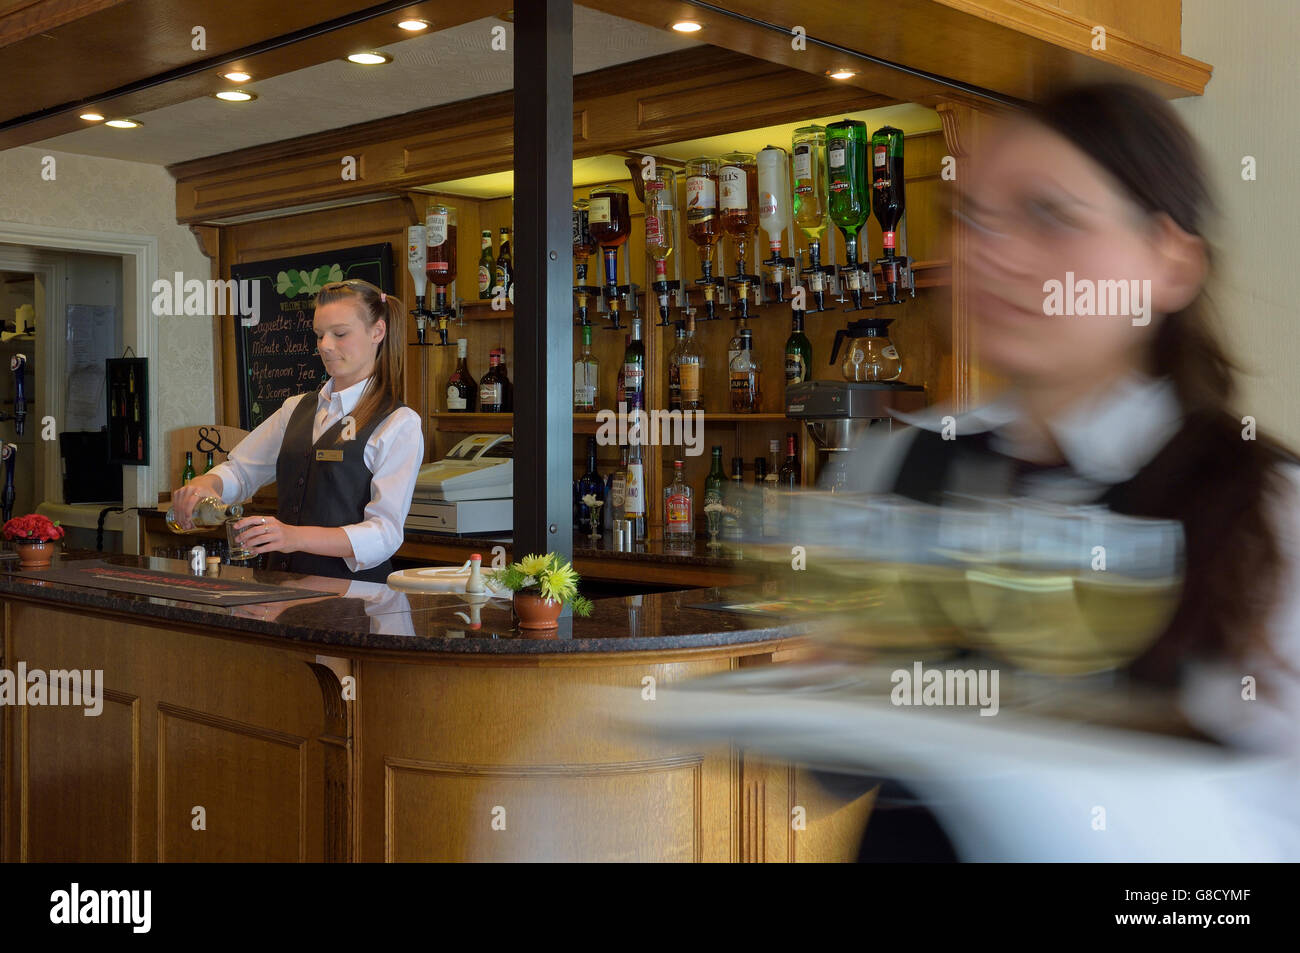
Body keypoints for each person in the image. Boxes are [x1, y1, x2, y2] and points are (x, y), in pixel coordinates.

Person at [840, 82, 1300, 859]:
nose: (988, 252)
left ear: (1171, 262)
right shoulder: (890, 465)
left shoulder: (1268, 509)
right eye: (968, 217)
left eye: (1050, 215)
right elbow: (853, 765)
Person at [172, 278, 423, 582]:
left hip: (353, 597)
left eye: (340, 334)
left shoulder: (399, 422)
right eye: (319, 335)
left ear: (377, 332)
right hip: (284, 589)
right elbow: (241, 472)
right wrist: (207, 483)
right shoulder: (295, 409)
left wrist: (294, 537)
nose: (325, 346)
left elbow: (384, 533)